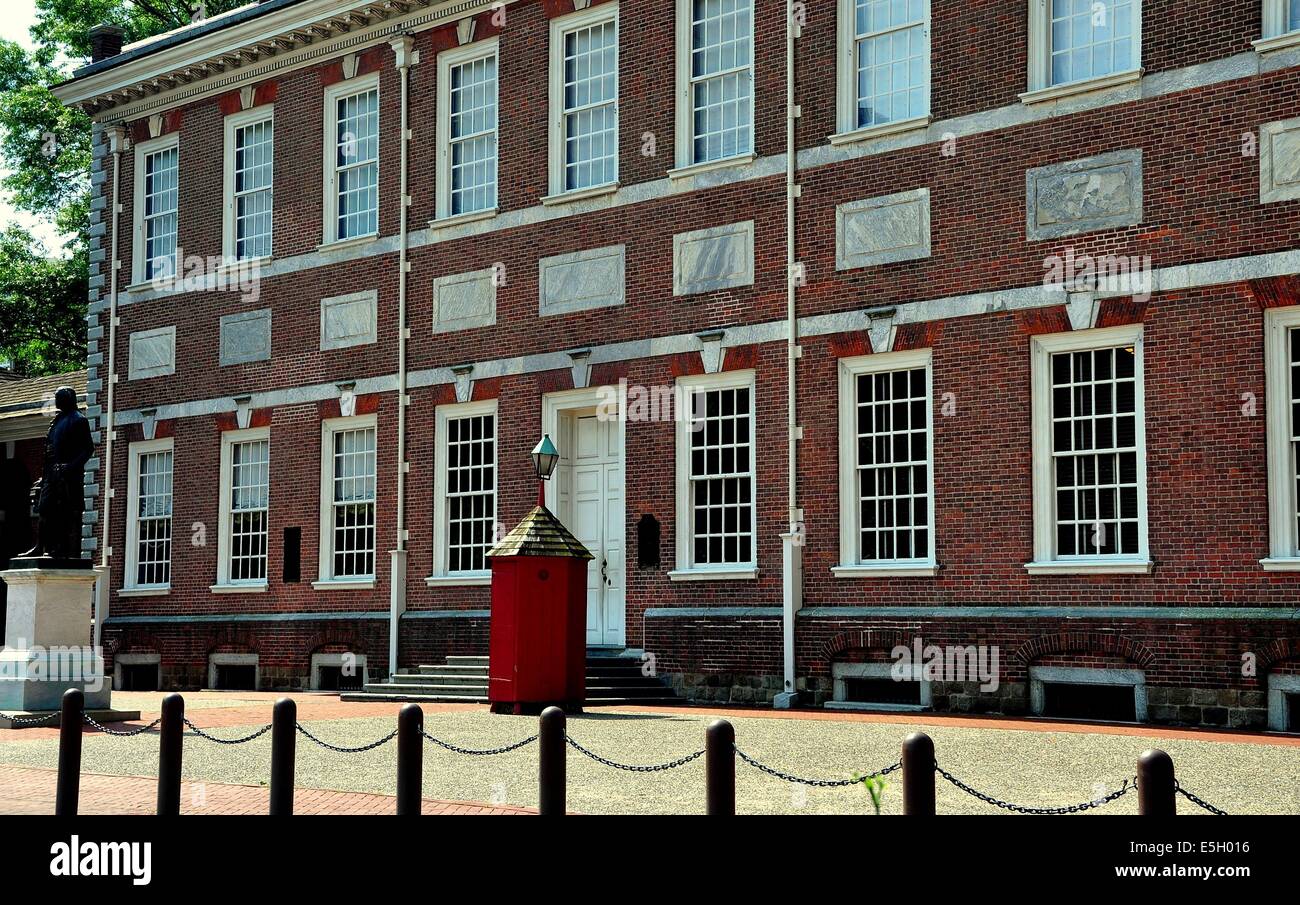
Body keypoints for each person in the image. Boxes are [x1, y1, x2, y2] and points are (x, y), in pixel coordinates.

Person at [21, 386, 93, 561]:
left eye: (58, 397)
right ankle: (40, 546)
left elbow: (88, 449)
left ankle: (61, 549)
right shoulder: (57, 420)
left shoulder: (78, 420)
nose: (56, 401)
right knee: (44, 509)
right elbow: (49, 450)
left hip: (67, 476)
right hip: (50, 474)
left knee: (64, 512)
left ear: (68, 398)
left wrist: (70, 466)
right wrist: (43, 476)